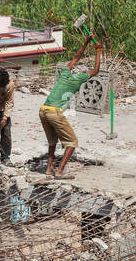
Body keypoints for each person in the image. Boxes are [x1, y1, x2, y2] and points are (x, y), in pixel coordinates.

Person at [39, 36, 101, 179]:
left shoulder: (65, 73)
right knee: (72, 142)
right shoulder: (78, 79)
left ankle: (49, 169)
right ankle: (59, 172)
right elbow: (96, 70)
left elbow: (76, 57)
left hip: (43, 110)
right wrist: (98, 50)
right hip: (54, 112)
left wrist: (85, 42)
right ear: (82, 73)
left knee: (52, 141)